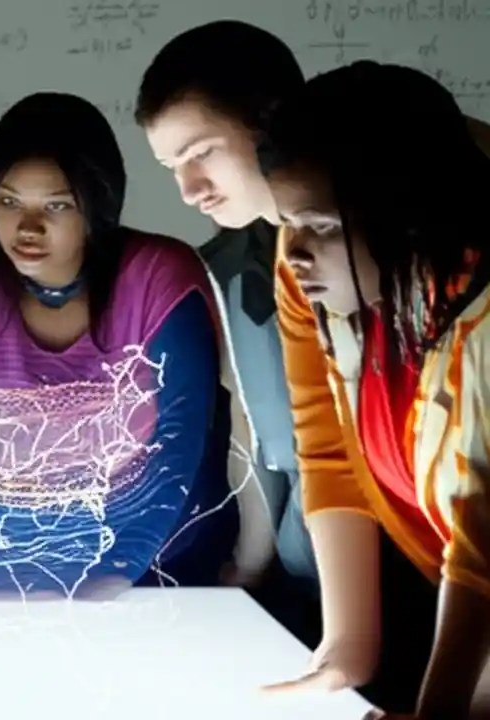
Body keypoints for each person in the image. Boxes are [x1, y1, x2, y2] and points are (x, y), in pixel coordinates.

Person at [0, 92, 237, 599]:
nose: (27, 227)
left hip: (156, 561)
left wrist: (114, 573)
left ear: (96, 205)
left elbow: (182, 443)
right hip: (5, 554)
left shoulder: (159, 274)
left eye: (57, 205)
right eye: (8, 201)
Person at [256, 61, 490, 720]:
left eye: (322, 226)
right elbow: (327, 448)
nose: (295, 252)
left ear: (405, 213)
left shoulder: (481, 324)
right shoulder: (330, 276)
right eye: (287, 223)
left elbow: (482, 547)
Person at [135, 20, 320, 634]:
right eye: (171, 167)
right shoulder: (228, 270)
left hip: (423, 588)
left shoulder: (378, 256)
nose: (189, 190)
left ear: (269, 121)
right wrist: (250, 566)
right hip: (306, 586)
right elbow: (259, 440)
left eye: (201, 154)